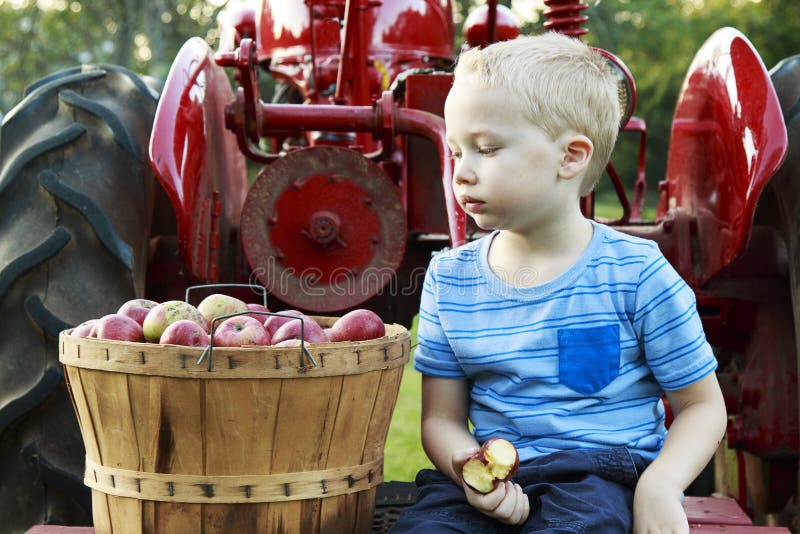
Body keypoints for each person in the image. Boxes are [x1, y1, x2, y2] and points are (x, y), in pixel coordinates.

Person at [389, 32, 727, 533]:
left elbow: (701, 406)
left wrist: (660, 485)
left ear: (570, 157)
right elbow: (440, 419)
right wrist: (469, 470)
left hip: (598, 478)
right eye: (457, 151)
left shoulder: (636, 274)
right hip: (489, 480)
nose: (462, 172)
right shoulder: (448, 278)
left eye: (486, 149)